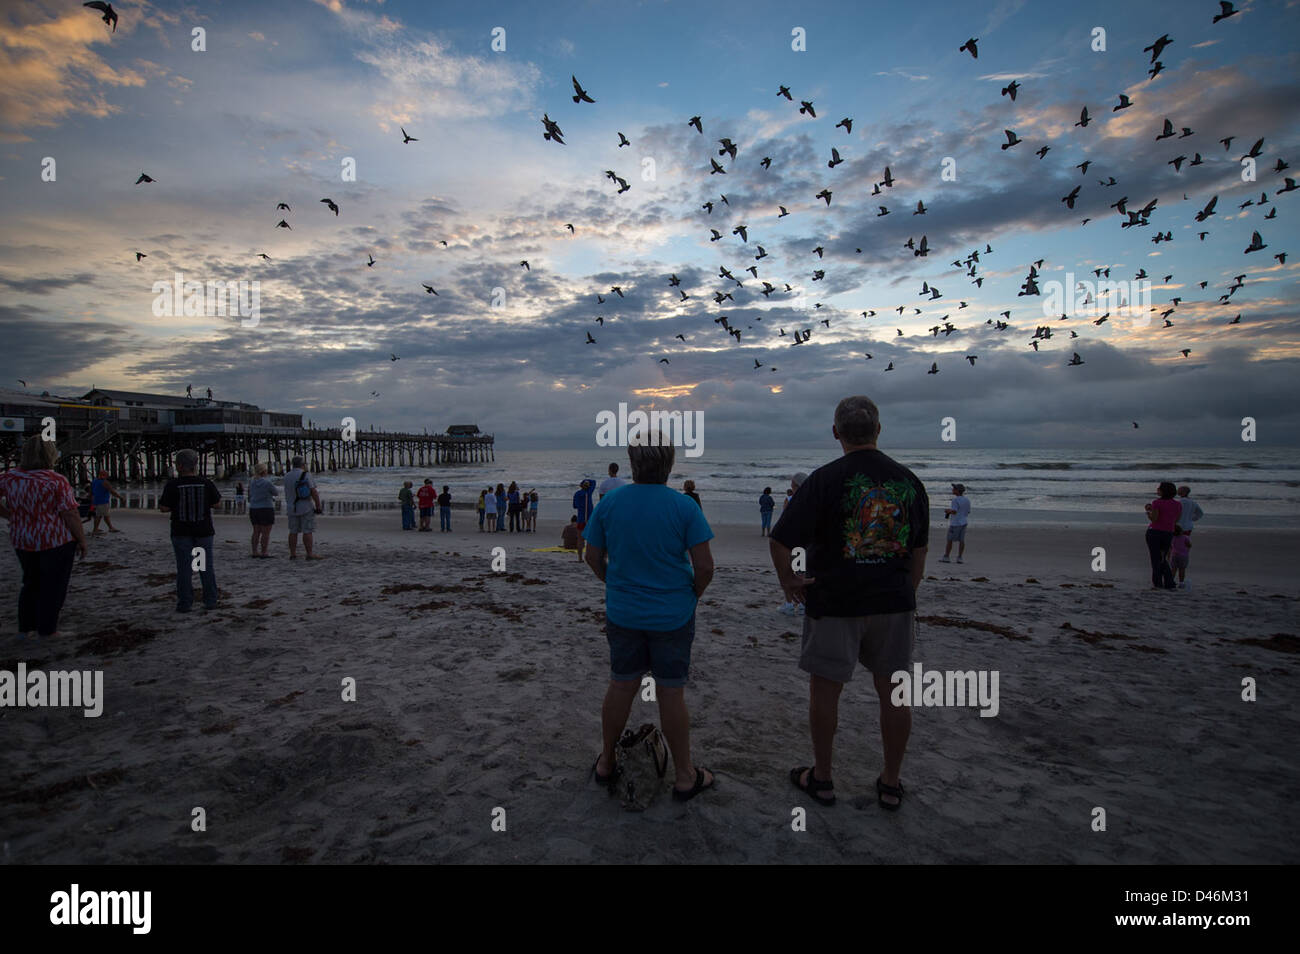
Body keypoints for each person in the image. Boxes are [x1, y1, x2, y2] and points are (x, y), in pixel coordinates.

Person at [769, 395, 929, 811]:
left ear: (836, 433)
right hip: (893, 602)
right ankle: (891, 783)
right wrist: (902, 594)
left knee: (826, 692)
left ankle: (822, 778)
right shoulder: (910, 482)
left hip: (836, 602)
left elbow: (781, 538)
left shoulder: (823, 480)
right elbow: (917, 559)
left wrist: (789, 580)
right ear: (879, 429)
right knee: (893, 693)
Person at [583, 437, 716, 802]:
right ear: (670, 465)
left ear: (631, 463)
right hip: (672, 614)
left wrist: (613, 581)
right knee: (671, 692)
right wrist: (693, 595)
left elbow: (591, 555)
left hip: (624, 612)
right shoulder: (684, 506)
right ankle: (685, 777)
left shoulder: (610, 503)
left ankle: (607, 762)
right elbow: (704, 566)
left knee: (621, 684)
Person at [0, 438, 88, 639]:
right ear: (50, 455)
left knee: (30, 583)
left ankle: (25, 629)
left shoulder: (9, 478)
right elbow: (70, 513)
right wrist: (82, 540)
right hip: (55, 540)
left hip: (23, 539)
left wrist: (11, 515)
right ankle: (47, 630)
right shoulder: (56, 480)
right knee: (53, 586)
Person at [160, 448, 222, 611]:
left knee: (184, 569)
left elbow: (164, 508)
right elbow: (217, 504)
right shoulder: (206, 483)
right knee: (204, 567)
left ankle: (185, 603)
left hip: (181, 533)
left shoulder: (173, 484)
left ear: (180, 466)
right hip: (202, 532)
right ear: (195, 465)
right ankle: (210, 601)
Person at [283, 455, 323, 559]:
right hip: (305, 507)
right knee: (307, 531)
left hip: (291, 507)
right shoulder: (306, 474)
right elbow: (313, 491)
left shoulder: (287, 476)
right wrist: (318, 506)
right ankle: (309, 554)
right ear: (303, 464)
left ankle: (292, 553)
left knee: (293, 531)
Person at [1144, 481, 1180, 590]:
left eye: (1159, 488)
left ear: (1163, 491)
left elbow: (1154, 519)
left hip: (1154, 532)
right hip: (1168, 532)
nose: (1157, 490)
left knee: (1155, 558)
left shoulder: (1157, 502)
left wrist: (1148, 512)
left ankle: (1158, 583)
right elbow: (1177, 519)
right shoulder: (1177, 504)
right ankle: (1169, 582)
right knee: (1163, 558)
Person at [248, 462, 279, 557]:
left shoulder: (252, 481)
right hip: (266, 507)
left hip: (253, 508)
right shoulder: (267, 482)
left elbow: (249, 494)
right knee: (265, 532)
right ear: (264, 471)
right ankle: (264, 552)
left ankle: (254, 551)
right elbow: (276, 492)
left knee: (256, 531)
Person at [940, 483, 971, 563]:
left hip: (955, 523)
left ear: (957, 491)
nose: (952, 490)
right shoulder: (967, 500)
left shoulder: (955, 500)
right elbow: (968, 512)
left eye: (954, 489)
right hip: (963, 522)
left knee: (949, 540)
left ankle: (946, 556)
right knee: (961, 540)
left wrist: (948, 511)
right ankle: (960, 557)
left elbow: (954, 511)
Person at [90, 470, 125, 534]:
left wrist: (91, 500)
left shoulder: (94, 481)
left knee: (102, 515)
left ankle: (107, 528)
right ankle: (97, 529)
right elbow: (112, 491)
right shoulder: (104, 482)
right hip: (102, 501)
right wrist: (120, 497)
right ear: (103, 475)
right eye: (106, 475)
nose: (107, 476)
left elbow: (91, 492)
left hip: (95, 501)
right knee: (101, 515)